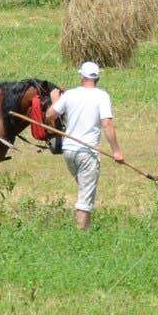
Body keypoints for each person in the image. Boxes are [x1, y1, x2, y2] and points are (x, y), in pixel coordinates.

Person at [49, 61, 125, 231]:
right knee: (85, 196)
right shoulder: (102, 96)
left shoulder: (69, 94)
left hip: (68, 151)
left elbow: (49, 115)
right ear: (97, 78)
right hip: (87, 152)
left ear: (81, 77)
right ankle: (81, 236)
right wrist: (116, 151)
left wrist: (55, 101)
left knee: (86, 190)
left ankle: (86, 229)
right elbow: (107, 124)